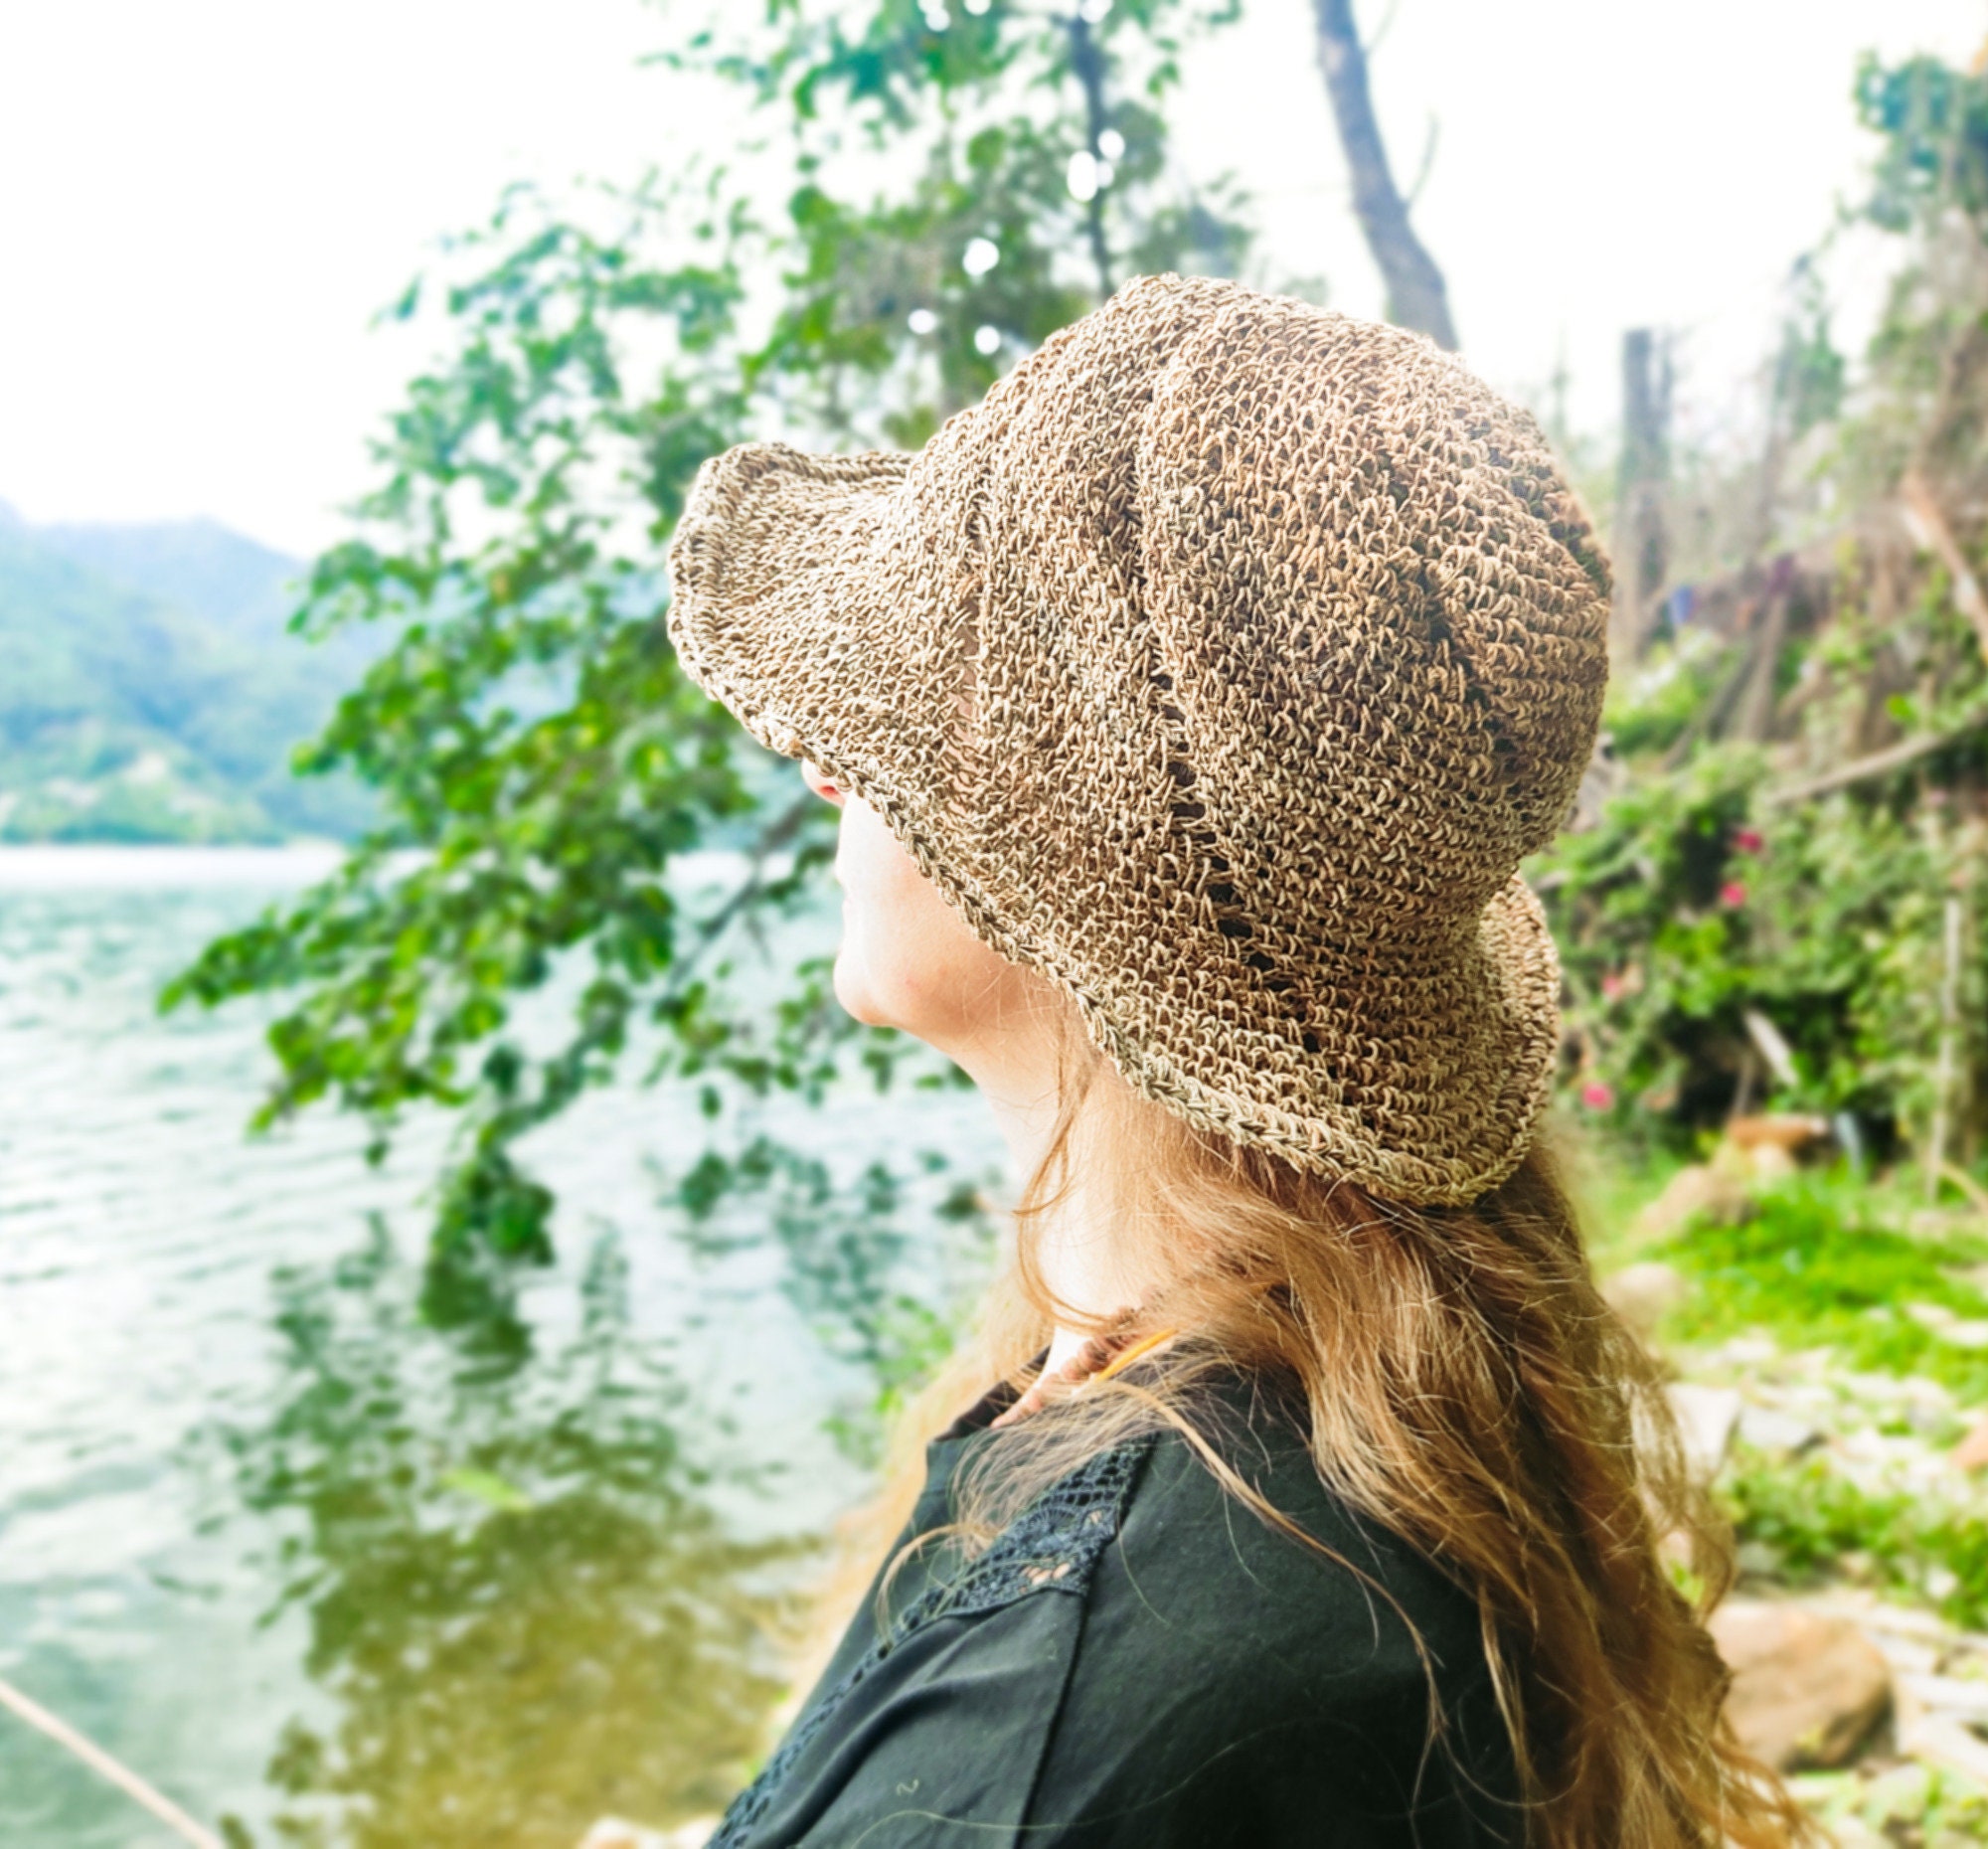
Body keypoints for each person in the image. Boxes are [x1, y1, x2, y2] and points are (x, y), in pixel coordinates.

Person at [664, 275, 1807, 1847]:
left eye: (901, 715)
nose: (814, 756)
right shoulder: (1355, 1404)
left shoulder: (1061, 1725)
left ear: (1067, 853)